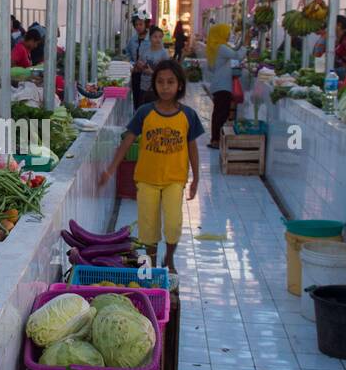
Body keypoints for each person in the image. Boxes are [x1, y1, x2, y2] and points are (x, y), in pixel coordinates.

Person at [98, 60, 203, 272]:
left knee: (173, 224)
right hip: (147, 179)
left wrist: (196, 179)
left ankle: (170, 258)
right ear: (154, 85)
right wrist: (111, 169)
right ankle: (152, 262)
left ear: (179, 85)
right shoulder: (145, 112)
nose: (165, 87)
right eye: (161, 82)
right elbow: (127, 141)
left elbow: (193, 149)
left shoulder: (188, 115)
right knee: (148, 227)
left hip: (175, 179)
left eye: (170, 82)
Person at [204, 21, 240, 150]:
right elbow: (237, 55)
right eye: (226, 32)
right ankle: (216, 140)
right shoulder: (221, 48)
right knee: (222, 114)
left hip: (217, 84)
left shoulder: (212, 47)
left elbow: (211, 67)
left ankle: (215, 139)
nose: (228, 34)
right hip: (223, 85)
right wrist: (245, 44)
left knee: (217, 113)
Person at [136, 25, 169, 104]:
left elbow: (167, 73)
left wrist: (152, 73)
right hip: (143, 86)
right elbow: (139, 62)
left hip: (157, 88)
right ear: (150, 38)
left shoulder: (164, 53)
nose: (158, 39)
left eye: (160, 37)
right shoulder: (145, 50)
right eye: (155, 37)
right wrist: (140, 65)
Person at [125, 16, 149, 106]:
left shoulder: (152, 39)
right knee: (136, 98)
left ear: (145, 24)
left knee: (146, 99)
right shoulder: (132, 40)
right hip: (136, 73)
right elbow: (127, 54)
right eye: (136, 25)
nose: (138, 27)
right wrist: (132, 64)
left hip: (148, 75)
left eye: (140, 24)